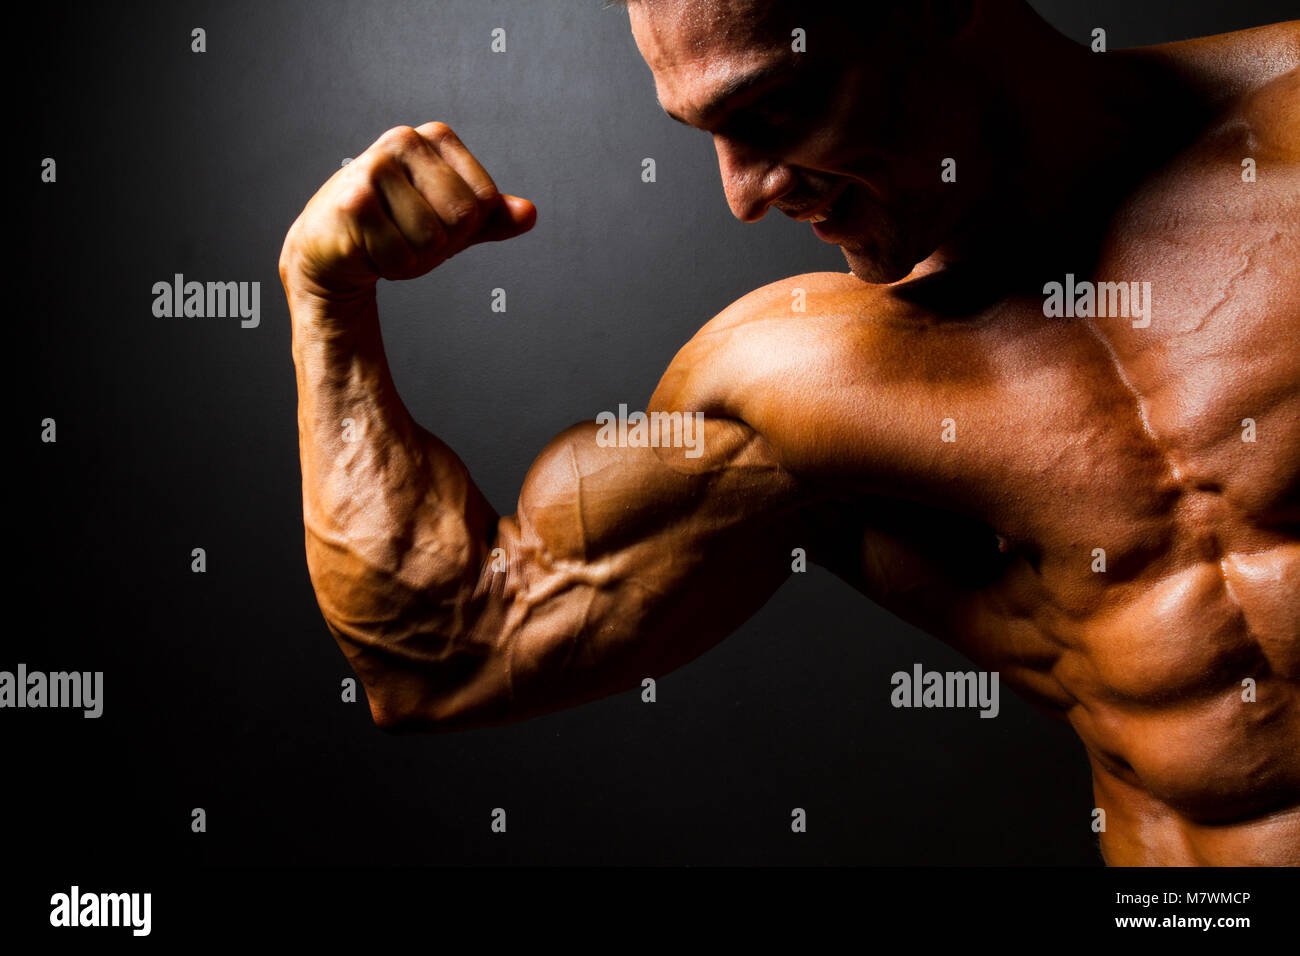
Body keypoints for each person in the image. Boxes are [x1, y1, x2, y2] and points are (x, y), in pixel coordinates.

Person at [278, 0, 1299, 864]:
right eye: (706, 135)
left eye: (772, 108)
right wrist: (328, 300)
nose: (743, 193)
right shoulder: (805, 383)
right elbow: (446, 656)